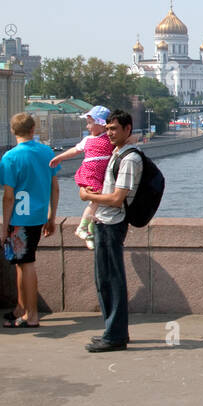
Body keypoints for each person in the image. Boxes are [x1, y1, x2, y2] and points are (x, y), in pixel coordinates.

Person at [79, 109, 142, 353]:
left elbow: (117, 198)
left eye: (114, 129)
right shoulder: (116, 153)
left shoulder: (129, 159)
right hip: (103, 221)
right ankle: (111, 331)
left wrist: (87, 196)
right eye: (107, 129)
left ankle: (115, 336)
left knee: (113, 281)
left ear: (128, 129)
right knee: (103, 280)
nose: (110, 133)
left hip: (113, 223)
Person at [0, 113, 59, 329]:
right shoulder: (46, 152)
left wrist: (4, 227)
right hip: (38, 216)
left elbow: (8, 197)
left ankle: (31, 315)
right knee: (21, 264)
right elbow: (54, 186)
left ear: (12, 131)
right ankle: (21, 308)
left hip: (19, 218)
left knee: (27, 263)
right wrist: (52, 216)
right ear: (33, 130)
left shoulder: (10, 157)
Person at [49, 106, 114, 250]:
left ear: (101, 123)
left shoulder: (109, 138)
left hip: (99, 175)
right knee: (97, 200)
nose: (87, 126)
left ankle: (89, 232)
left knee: (97, 202)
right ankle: (82, 228)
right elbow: (74, 150)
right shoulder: (88, 139)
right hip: (89, 174)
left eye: (90, 122)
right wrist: (59, 157)